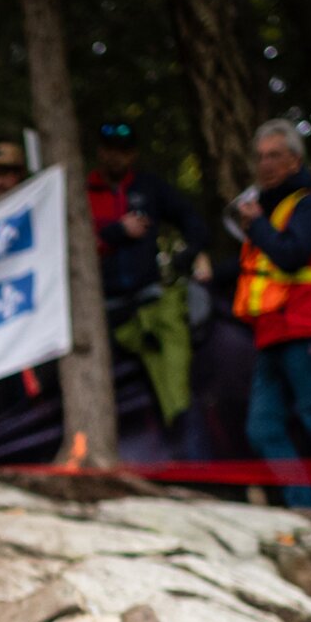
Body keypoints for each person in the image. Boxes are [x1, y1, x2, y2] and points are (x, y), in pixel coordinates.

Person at [233, 120, 311, 511]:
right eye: (260, 157)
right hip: (272, 333)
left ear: (295, 160)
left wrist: (256, 224)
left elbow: (291, 256)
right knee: (262, 428)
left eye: (274, 155)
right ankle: (305, 507)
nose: (265, 164)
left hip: (305, 328)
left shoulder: (309, 204)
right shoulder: (271, 210)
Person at [88, 120, 210, 424]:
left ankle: (181, 423)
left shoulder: (148, 186)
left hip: (150, 297)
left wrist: (191, 252)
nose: (116, 156)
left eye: (123, 150)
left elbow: (190, 217)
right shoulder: (83, 192)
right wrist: (118, 231)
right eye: (110, 149)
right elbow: (70, 246)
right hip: (103, 309)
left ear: (133, 154)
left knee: (173, 363)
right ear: (100, 151)